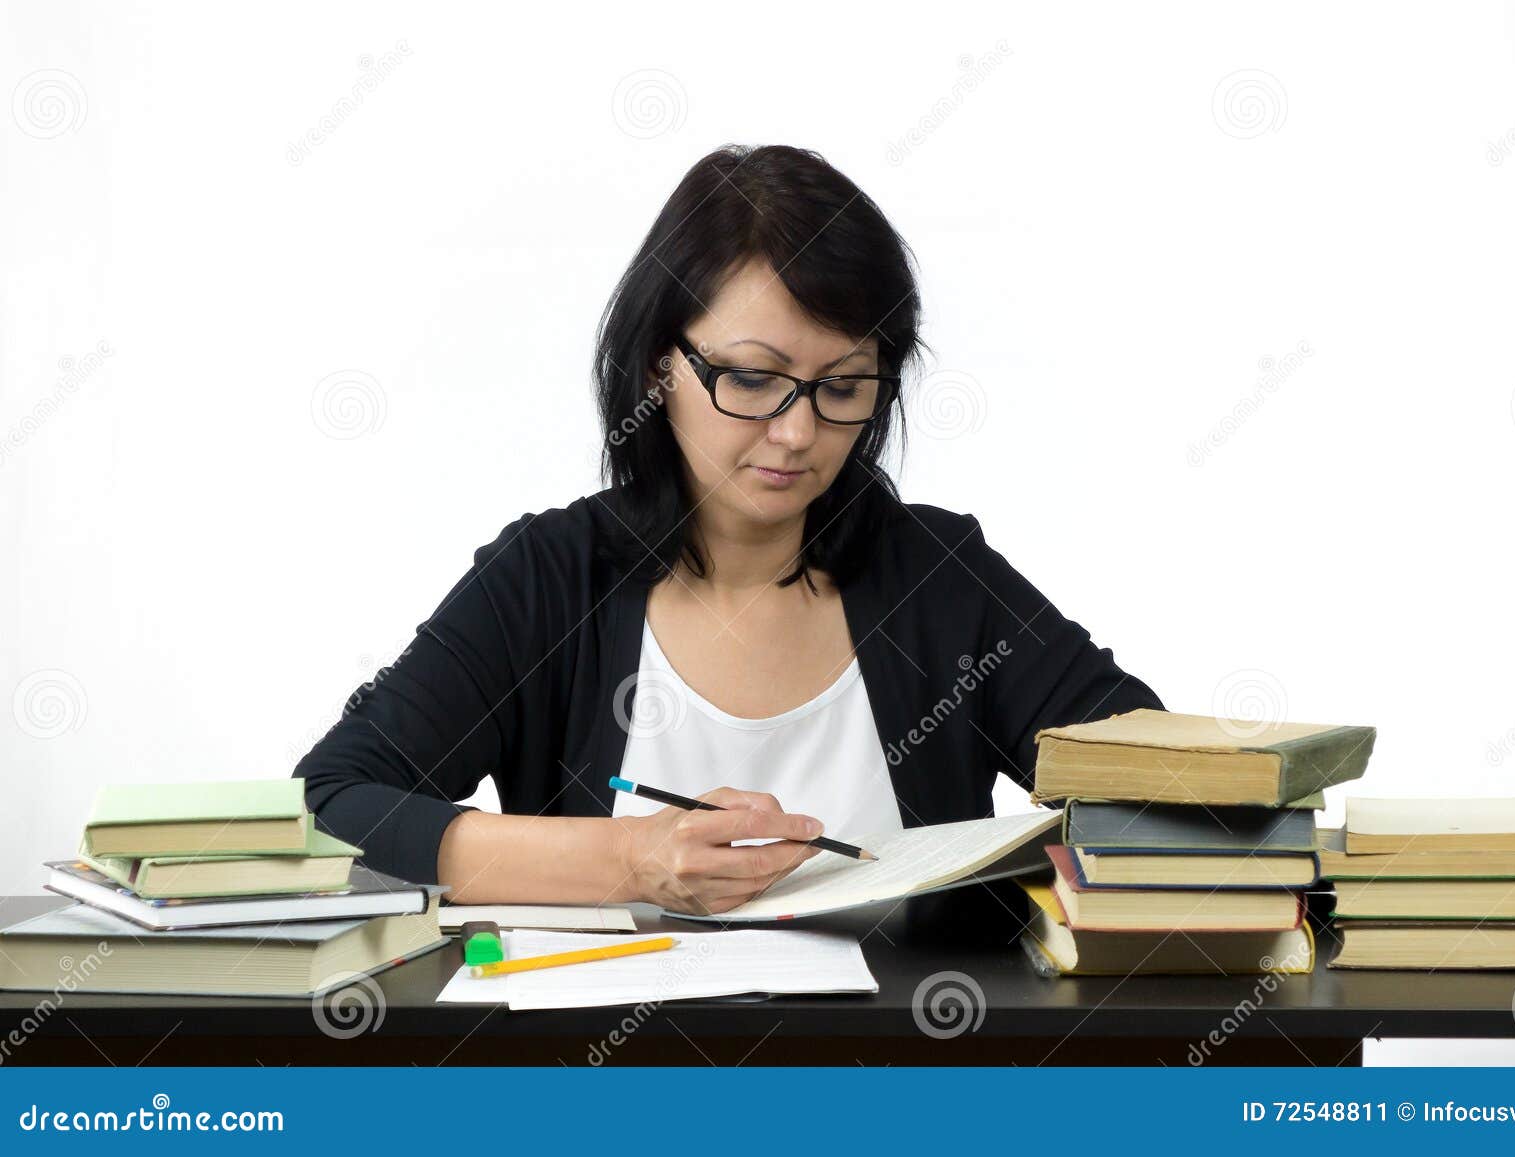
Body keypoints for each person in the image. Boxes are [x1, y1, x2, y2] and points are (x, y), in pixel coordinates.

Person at [292, 143, 1163, 914]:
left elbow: (1171, 792)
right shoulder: (549, 580)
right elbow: (331, 808)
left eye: (844, 384)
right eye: (753, 378)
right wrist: (631, 859)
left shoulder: (937, 578)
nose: (796, 431)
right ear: (657, 366)